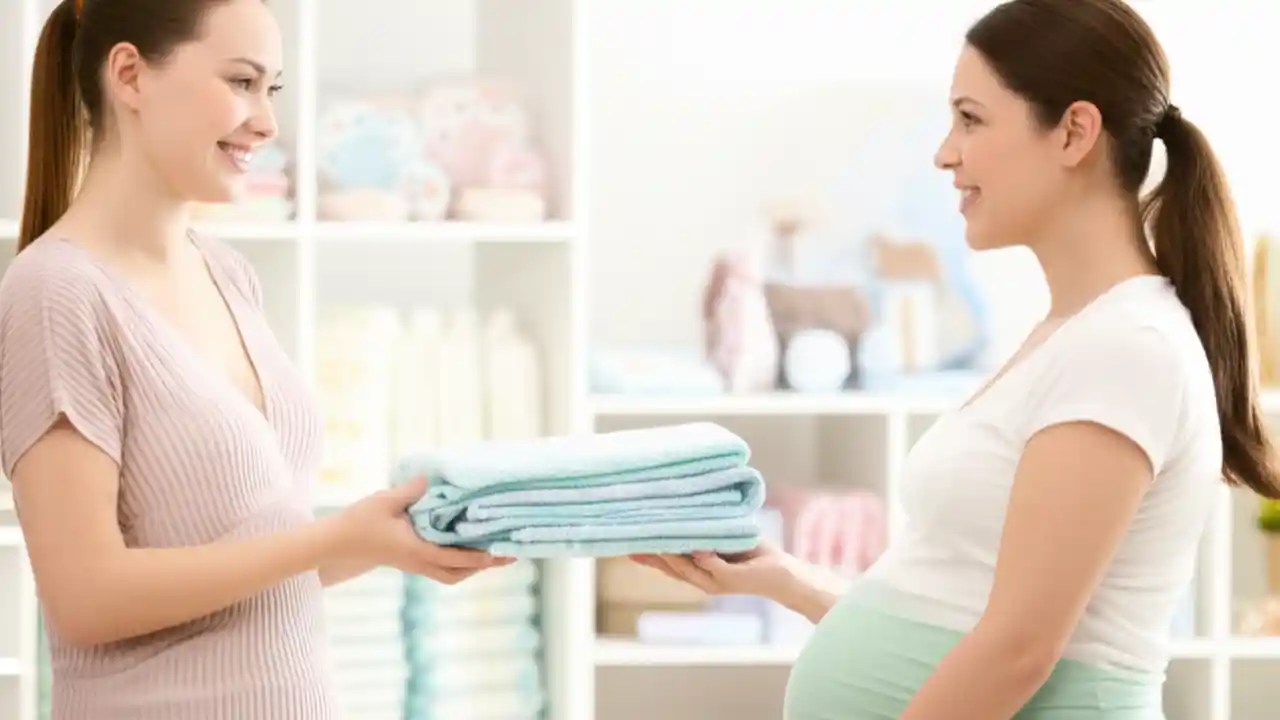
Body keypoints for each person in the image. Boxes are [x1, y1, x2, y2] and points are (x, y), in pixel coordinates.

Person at [633, 1, 1280, 718]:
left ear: (1074, 132)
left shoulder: (1128, 350)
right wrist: (788, 580)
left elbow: (1017, 652)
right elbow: (966, 616)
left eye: (971, 119)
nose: (945, 152)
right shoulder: (1080, 335)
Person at [0, 1, 511, 717]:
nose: (268, 123)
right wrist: (327, 537)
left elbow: (251, 562)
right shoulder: (56, 292)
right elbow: (86, 596)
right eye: (240, 82)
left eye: (270, 89)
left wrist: (388, 537)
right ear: (129, 75)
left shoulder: (228, 274)